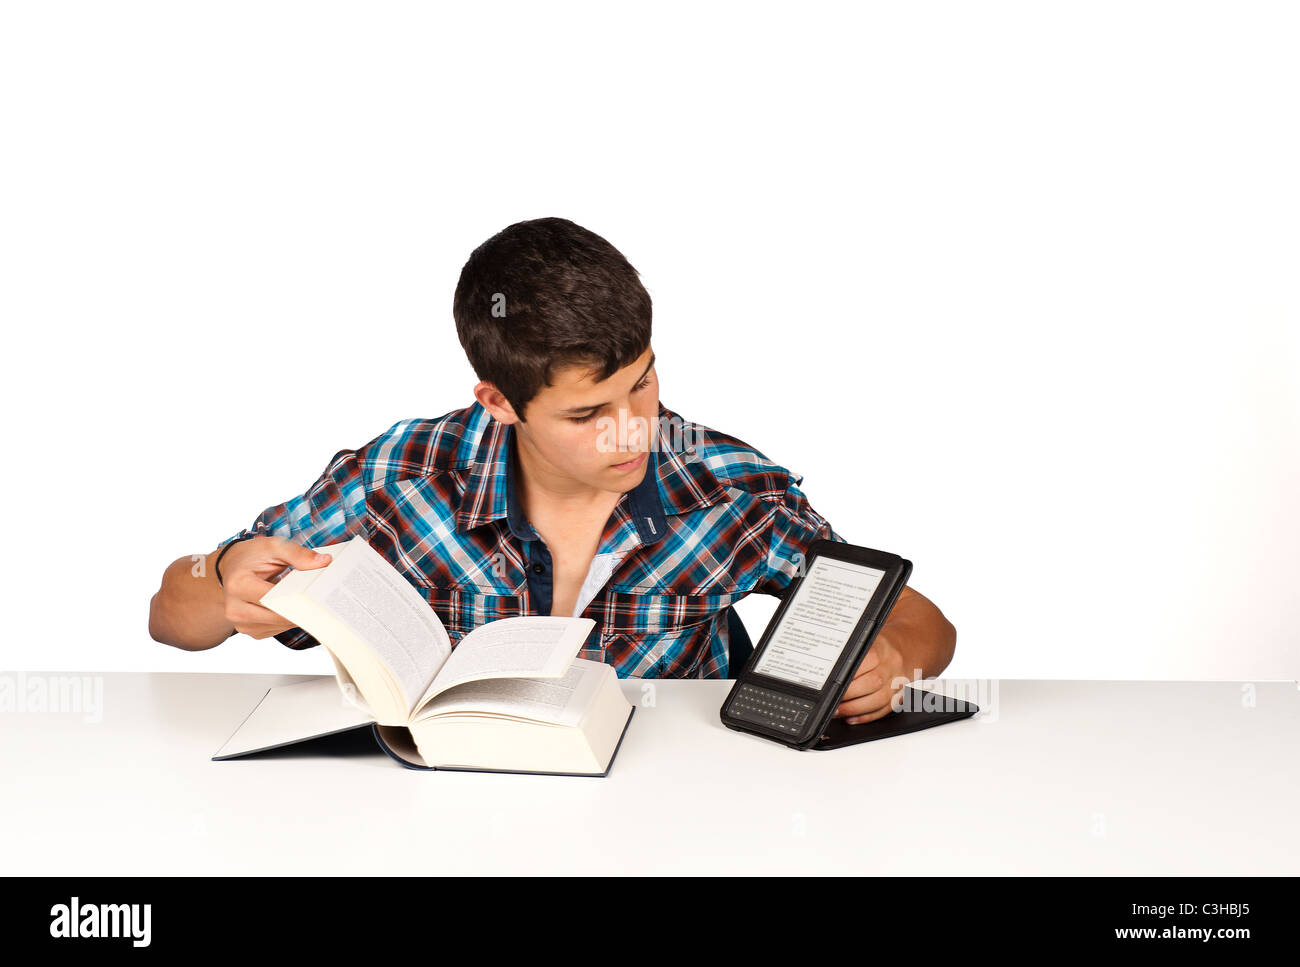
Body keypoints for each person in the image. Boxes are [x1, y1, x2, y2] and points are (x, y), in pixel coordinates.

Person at [148, 217, 956, 723]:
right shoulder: (401, 475)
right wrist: (220, 576)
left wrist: (888, 667)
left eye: (641, 380)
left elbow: (925, 624)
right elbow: (172, 612)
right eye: (585, 414)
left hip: (681, 831)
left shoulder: (726, 486)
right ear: (499, 402)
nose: (632, 430)